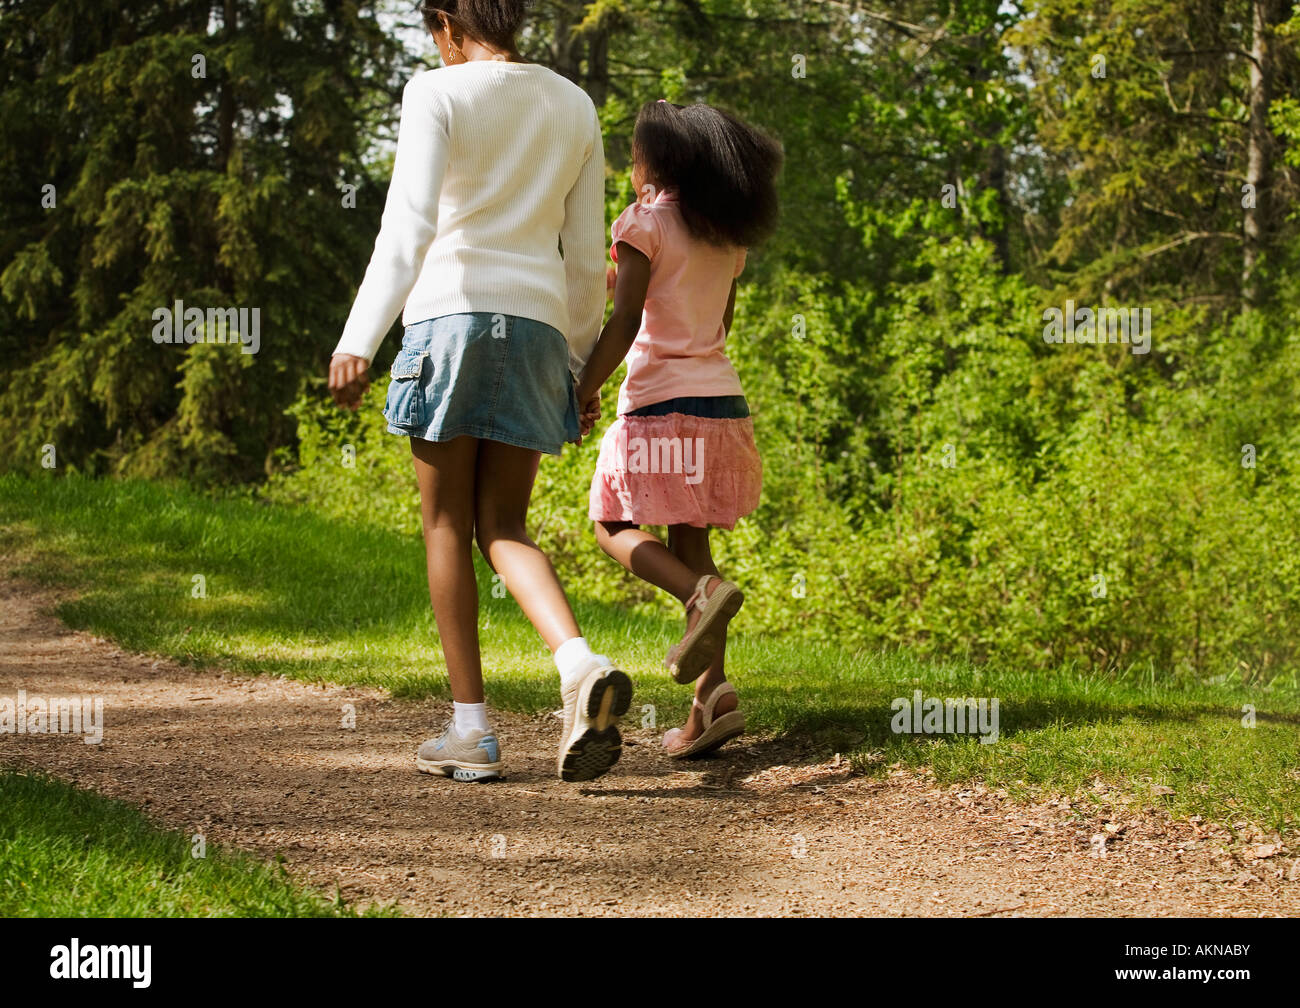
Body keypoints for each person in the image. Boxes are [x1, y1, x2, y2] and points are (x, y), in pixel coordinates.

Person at [328, 0, 630, 783]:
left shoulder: (436, 91)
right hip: (535, 329)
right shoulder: (573, 103)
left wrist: (359, 339)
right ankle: (578, 664)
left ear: (445, 26)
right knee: (506, 526)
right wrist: (576, 361)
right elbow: (585, 256)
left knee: (445, 522)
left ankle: (473, 732)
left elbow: (409, 227)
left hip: (451, 319)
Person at [575, 100, 782, 759]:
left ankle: (701, 593)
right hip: (719, 404)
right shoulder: (725, 236)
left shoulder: (643, 222)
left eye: (635, 154)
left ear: (654, 163)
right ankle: (713, 702)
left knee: (610, 524)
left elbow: (630, 320)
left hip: (661, 407)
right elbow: (708, 318)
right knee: (692, 548)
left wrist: (586, 384)